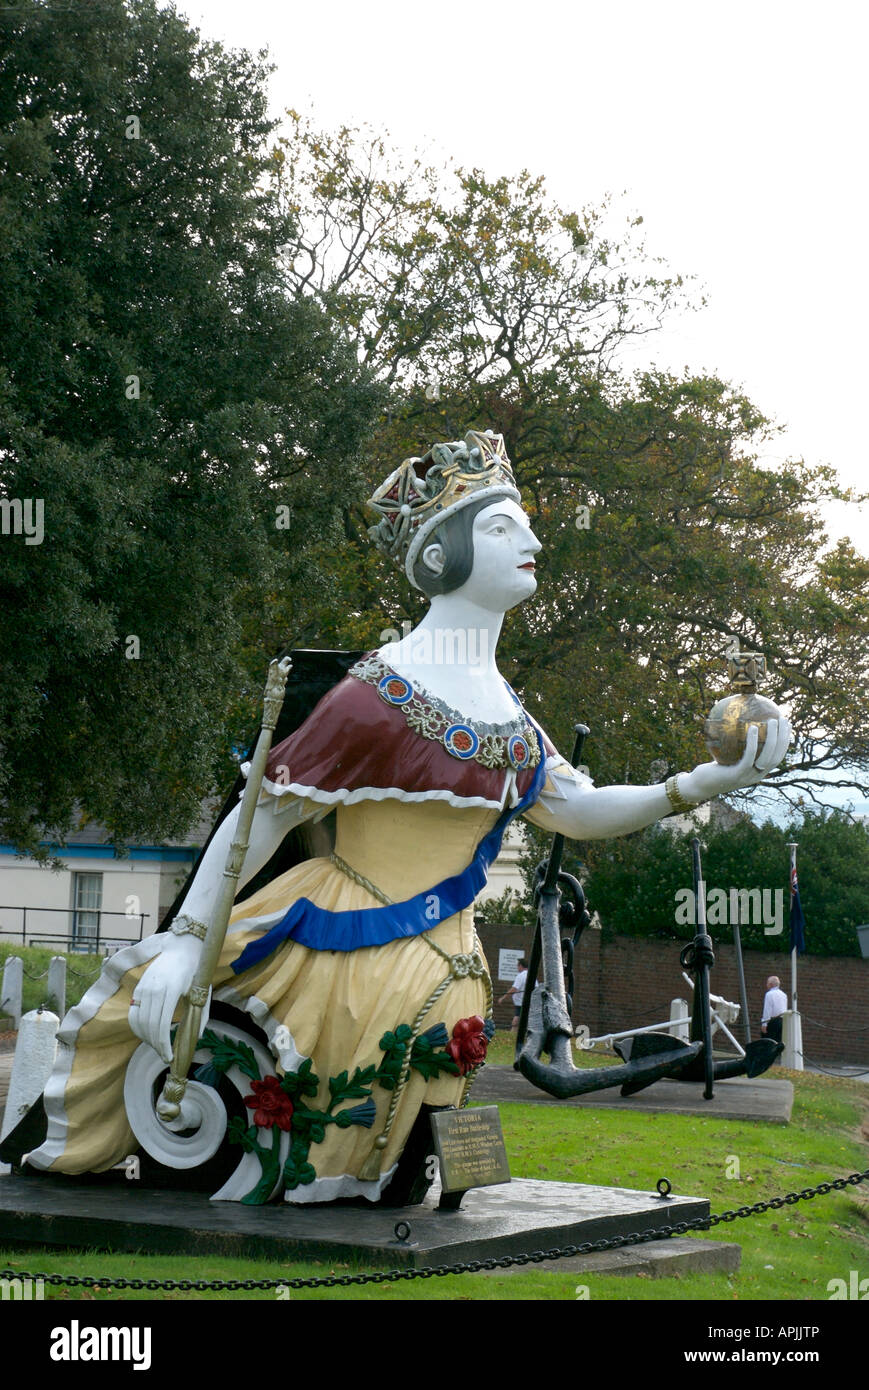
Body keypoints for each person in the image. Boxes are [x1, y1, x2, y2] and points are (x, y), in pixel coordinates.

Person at [18, 429, 791, 1205]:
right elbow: (262, 816)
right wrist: (189, 942)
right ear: (438, 555)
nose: (533, 538)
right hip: (339, 956)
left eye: (523, 522)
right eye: (501, 526)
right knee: (324, 1142)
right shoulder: (372, 697)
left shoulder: (507, 712)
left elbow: (576, 808)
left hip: (451, 963)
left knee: (400, 1155)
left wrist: (699, 783)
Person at [499, 958, 529, 1031]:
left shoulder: (521, 976)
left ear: (520, 966)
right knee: (521, 1019)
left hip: (521, 1002)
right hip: (526, 1002)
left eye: (517, 966)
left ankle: (512, 1033)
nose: (517, 968)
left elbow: (514, 989)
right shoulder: (530, 974)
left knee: (516, 1019)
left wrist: (503, 998)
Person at [761, 975, 788, 1044]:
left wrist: (764, 1024)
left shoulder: (769, 994)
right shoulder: (783, 995)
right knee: (778, 1042)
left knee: (768, 1042)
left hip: (772, 1021)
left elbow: (767, 1010)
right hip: (781, 1021)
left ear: (770, 984)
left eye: (767, 983)